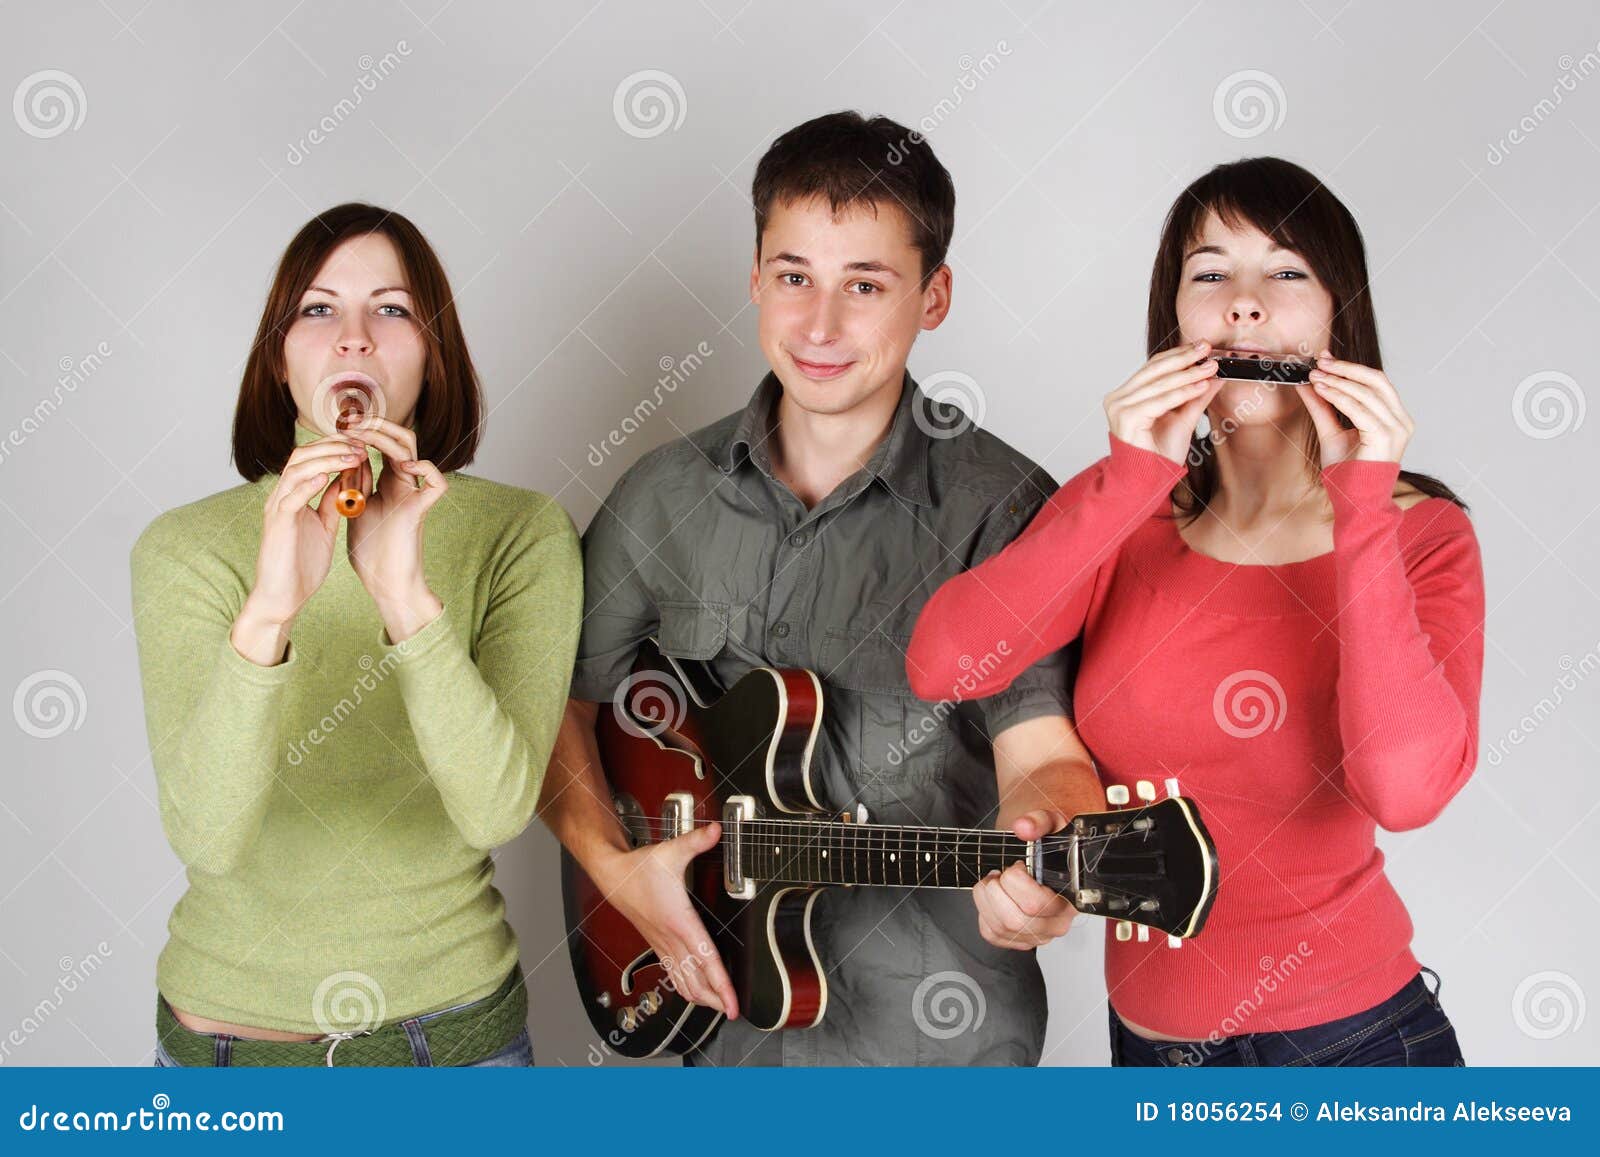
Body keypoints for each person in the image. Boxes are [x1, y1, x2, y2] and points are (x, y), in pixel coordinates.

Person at [538, 111, 1099, 1066]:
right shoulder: (663, 493)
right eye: (794, 276)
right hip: (725, 1048)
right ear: (755, 279)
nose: (820, 325)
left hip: (935, 1054)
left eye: (866, 285)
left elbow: (1044, 754)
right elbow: (556, 704)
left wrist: (1050, 845)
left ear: (935, 296)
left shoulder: (1006, 510)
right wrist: (614, 868)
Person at [907, 157, 1482, 1066]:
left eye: (1286, 272)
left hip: (1353, 1047)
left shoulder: (1419, 534)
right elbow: (945, 665)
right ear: (1175, 318)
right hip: (1145, 1050)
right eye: (1209, 273)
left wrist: (1361, 502)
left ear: (1341, 315)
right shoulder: (1128, 515)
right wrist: (1130, 476)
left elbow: (1404, 790)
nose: (1243, 304)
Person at [130, 202, 582, 1067]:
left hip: (453, 1051)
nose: (354, 337)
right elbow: (209, 836)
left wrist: (403, 594)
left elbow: (494, 810)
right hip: (225, 1054)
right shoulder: (181, 547)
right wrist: (269, 612)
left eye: (393, 308)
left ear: (432, 352)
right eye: (317, 308)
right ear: (278, 357)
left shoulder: (521, 532)